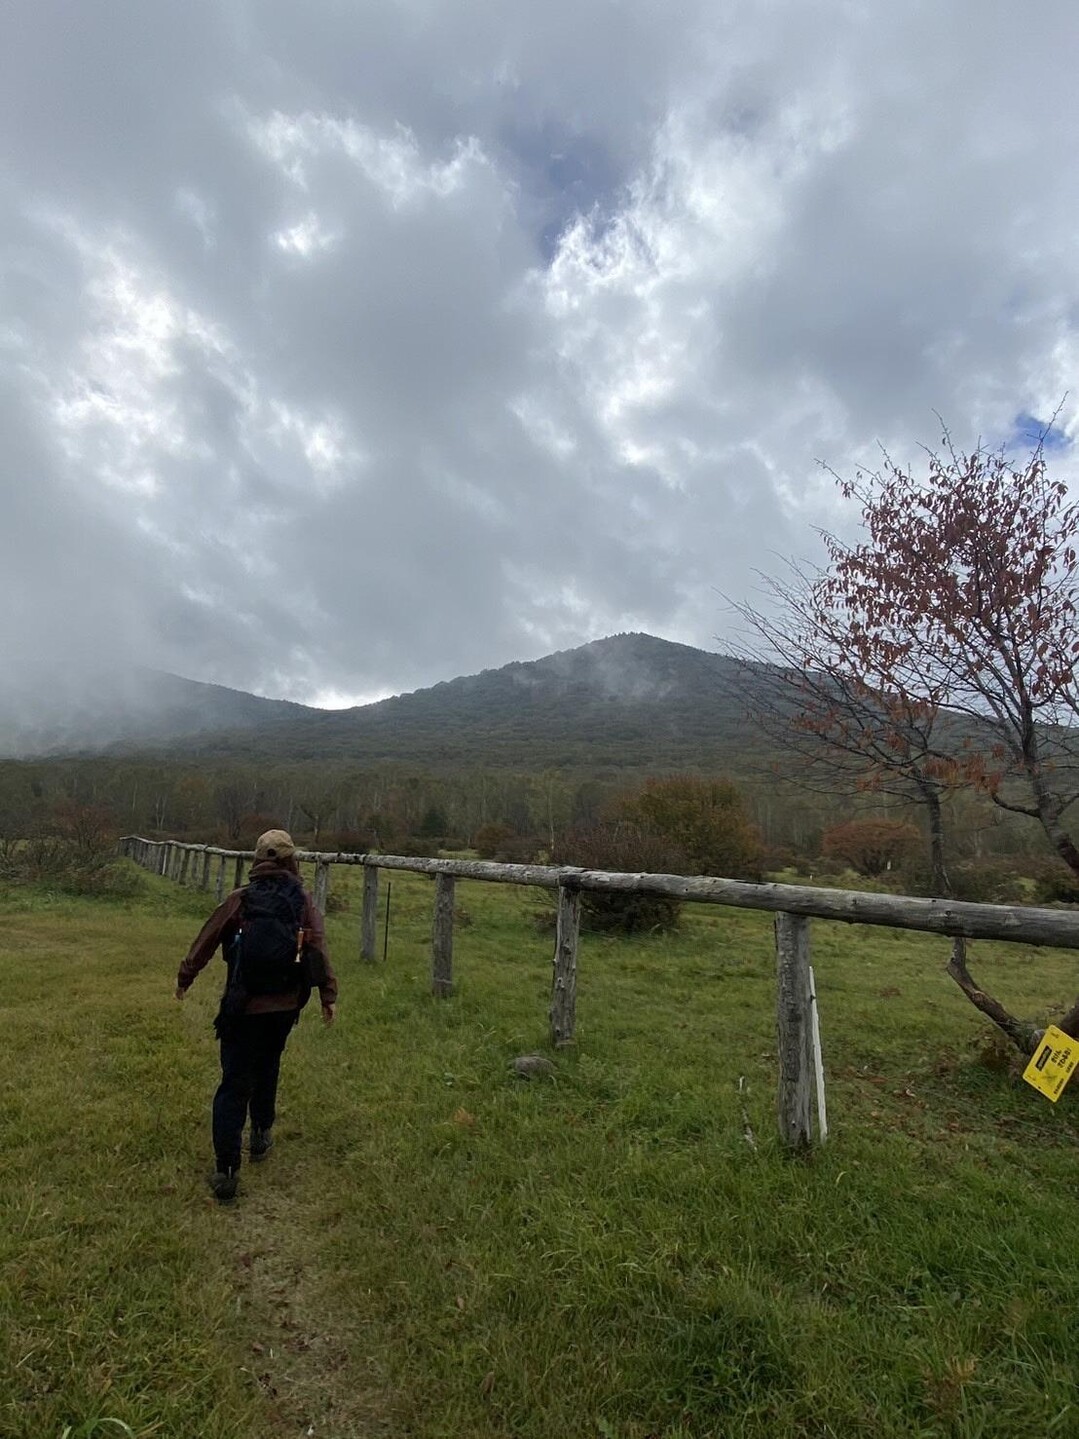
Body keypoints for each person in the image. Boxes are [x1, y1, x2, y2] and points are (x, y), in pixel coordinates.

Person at [175, 829, 338, 1203]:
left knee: (234, 1081)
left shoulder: (240, 900)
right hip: (283, 1008)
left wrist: (186, 977)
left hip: (241, 1008)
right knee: (267, 1066)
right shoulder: (303, 902)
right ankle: (261, 1133)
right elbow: (319, 948)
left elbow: (206, 938)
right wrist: (328, 995)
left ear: (257, 861)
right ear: (291, 860)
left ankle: (227, 1169)